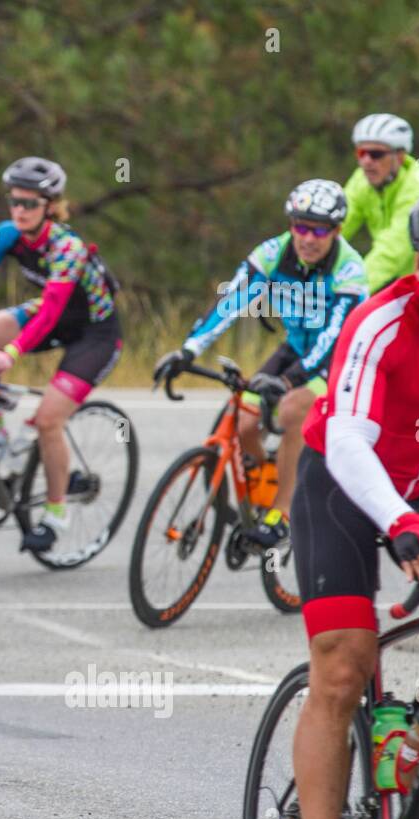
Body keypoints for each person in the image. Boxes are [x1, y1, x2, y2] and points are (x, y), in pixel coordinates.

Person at [292, 182, 419, 819]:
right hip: (342, 483)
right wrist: (396, 518)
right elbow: (346, 437)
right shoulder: (382, 320)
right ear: (417, 265)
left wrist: (416, 510)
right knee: (343, 666)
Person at [153, 180, 367, 551]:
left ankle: (282, 513)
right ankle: (266, 483)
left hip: (336, 359)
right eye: (300, 226)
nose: (308, 238)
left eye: (319, 230)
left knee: (294, 409)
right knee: (243, 419)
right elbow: (230, 304)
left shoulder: (350, 269)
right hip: (294, 347)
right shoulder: (271, 253)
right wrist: (187, 351)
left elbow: (333, 341)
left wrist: (286, 382)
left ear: (337, 231)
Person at [0, 156, 121, 553]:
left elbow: (51, 311)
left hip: (94, 332)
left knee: (49, 420)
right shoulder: (6, 234)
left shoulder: (68, 247)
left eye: (30, 204)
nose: (20, 210)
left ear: (50, 205)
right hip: (52, 313)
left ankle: (56, 512)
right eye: (14, 201)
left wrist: (12, 353)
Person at [342, 113, 419, 294]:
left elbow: (390, 253)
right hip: (399, 280)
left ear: (400, 157)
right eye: (361, 153)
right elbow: (336, 224)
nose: (366, 161)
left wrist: (350, 290)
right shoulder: (362, 180)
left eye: (376, 154)